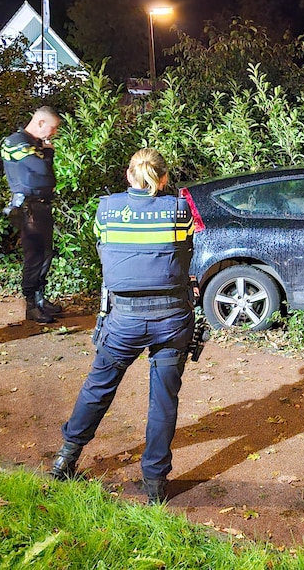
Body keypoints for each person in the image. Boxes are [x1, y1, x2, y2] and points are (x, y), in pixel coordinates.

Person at [49, 148, 195, 504]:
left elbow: (103, 246)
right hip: (171, 319)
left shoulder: (106, 209)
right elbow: (188, 247)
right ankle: (155, 484)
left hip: (123, 319)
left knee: (98, 388)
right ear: (163, 179)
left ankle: (65, 459)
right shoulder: (179, 209)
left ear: (129, 176)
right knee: (163, 401)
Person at [1, 105, 62, 324]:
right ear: (40, 122)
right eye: (52, 128)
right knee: (35, 256)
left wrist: (44, 151)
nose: (53, 134)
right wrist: (47, 151)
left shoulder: (34, 144)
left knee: (45, 254)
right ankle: (30, 305)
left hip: (42, 206)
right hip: (28, 207)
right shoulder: (16, 142)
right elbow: (42, 169)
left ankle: (40, 298)